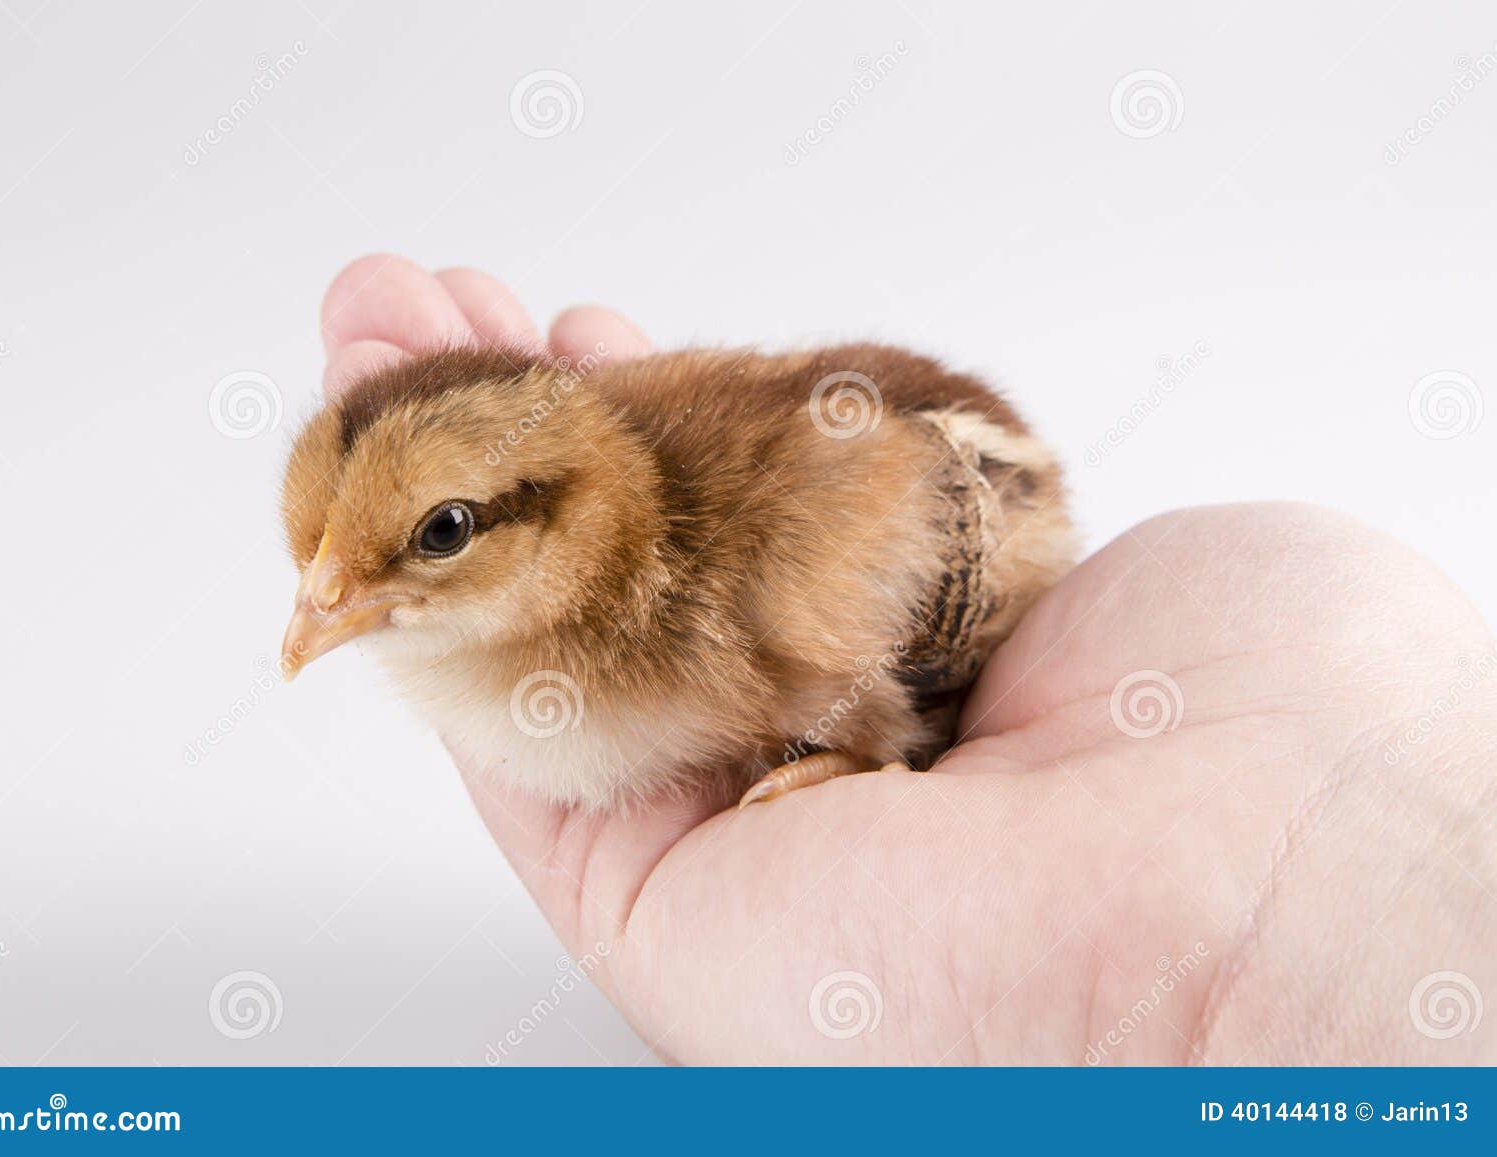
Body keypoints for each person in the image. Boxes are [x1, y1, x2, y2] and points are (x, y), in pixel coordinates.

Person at [319, 254, 1496, 1065]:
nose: (320, 604)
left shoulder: (762, 586)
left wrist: (859, 737)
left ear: (554, 523)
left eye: (440, 534)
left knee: (810, 590)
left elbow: (883, 486)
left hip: (943, 484)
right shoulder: (533, 604)